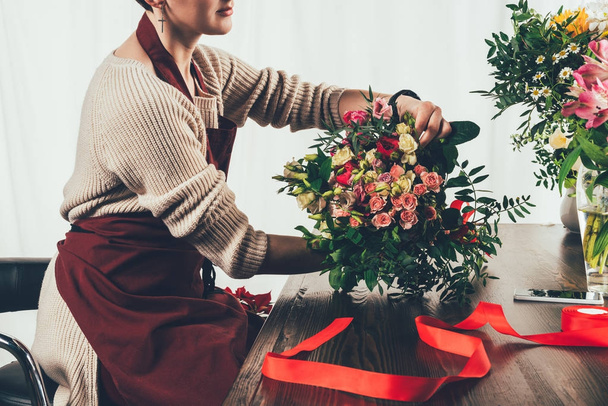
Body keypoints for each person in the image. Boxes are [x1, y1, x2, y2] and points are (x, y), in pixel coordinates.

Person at [31, 0, 452, 405]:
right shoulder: (140, 98)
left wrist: (396, 107)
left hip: (173, 295)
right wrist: (361, 244)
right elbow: (238, 246)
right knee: (271, 391)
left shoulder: (204, 67)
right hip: (111, 313)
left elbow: (301, 100)